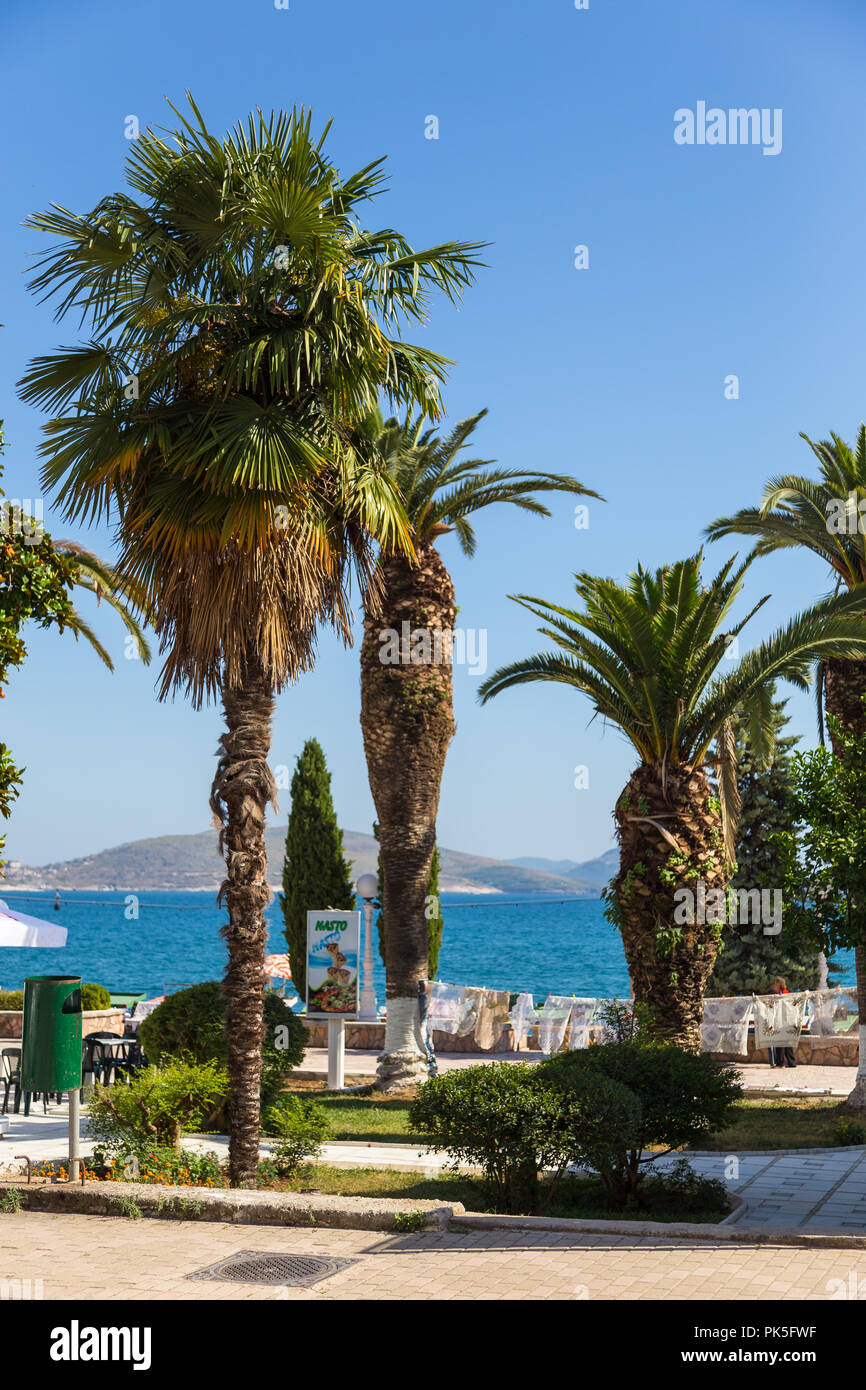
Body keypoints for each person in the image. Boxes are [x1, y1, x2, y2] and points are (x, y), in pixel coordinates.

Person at [769, 976, 797, 1068]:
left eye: (775, 983)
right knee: (787, 1043)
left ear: (779, 984)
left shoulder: (783, 993)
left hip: (783, 1021)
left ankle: (780, 1063)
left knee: (780, 1042)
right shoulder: (784, 993)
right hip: (785, 1021)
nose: (773, 985)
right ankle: (791, 1063)